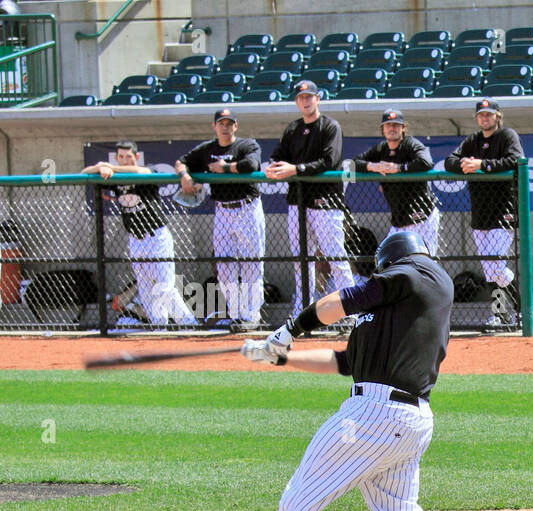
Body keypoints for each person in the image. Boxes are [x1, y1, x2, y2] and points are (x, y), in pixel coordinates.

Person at [218, 230, 533, 511]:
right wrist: (280, 357)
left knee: (301, 494)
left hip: (373, 416)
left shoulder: (421, 273)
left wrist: (289, 329)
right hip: (399, 420)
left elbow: (347, 299)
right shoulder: (397, 311)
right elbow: (345, 363)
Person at [82, 141, 198, 330]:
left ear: (135, 157)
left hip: (156, 236)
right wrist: (100, 167)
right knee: (146, 289)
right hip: (135, 239)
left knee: (165, 287)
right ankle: (159, 327)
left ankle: (189, 325)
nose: (124, 160)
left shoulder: (145, 169)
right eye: (120, 157)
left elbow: (143, 173)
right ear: (116, 158)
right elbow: (83, 174)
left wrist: (111, 167)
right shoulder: (114, 177)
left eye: (128, 156)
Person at [265, 79, 352, 317]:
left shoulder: (330, 126)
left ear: (317, 99)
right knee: (301, 260)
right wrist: (273, 167)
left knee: (335, 257)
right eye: (301, 97)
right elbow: (278, 155)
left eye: (309, 97)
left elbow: (329, 161)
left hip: (325, 202)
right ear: (296, 101)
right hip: (297, 203)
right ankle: (302, 311)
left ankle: (352, 311)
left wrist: (295, 170)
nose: (305, 101)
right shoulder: (293, 129)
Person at [176, 107, 265, 331]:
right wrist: (185, 176)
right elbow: (181, 162)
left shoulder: (246, 145)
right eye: (221, 123)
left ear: (235, 126)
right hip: (222, 211)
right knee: (224, 266)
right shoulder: (207, 149)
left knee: (251, 263)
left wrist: (225, 168)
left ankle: (251, 315)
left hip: (247, 207)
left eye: (229, 123)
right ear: (214, 126)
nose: (225, 127)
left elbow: (252, 165)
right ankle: (235, 315)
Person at [444, 97, 523, 330]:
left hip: (503, 210)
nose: (485, 118)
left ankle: (523, 309)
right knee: (490, 270)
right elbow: (450, 161)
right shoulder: (473, 140)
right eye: (481, 115)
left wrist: (482, 164)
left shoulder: (507, 136)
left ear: (497, 116)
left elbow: (515, 159)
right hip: (480, 212)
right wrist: (465, 166)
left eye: (489, 114)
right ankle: (501, 314)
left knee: (497, 266)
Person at [353, 108, 440, 257]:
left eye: (396, 125)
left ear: (403, 128)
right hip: (398, 221)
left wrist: (399, 168)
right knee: (388, 260)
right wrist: (371, 166)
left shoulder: (410, 144)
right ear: (383, 129)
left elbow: (426, 162)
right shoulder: (381, 149)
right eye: (388, 125)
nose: (392, 128)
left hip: (421, 216)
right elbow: (351, 164)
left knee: (424, 261)